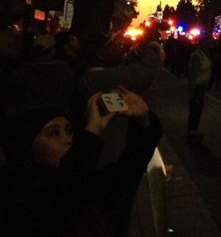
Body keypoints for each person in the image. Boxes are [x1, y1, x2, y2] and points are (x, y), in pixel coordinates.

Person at [0, 86, 163, 236]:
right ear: (27, 147)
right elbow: (59, 192)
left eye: (69, 131)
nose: (68, 140)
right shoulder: (19, 201)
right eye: (53, 133)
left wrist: (143, 121)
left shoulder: (84, 185)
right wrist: (93, 130)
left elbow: (128, 169)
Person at [186, 37, 212, 142]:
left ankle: (194, 131)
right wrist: (192, 91)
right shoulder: (197, 56)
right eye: (209, 43)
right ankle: (191, 133)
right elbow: (192, 74)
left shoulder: (205, 54)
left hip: (201, 86)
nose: (211, 45)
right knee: (195, 110)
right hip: (196, 87)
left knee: (198, 110)